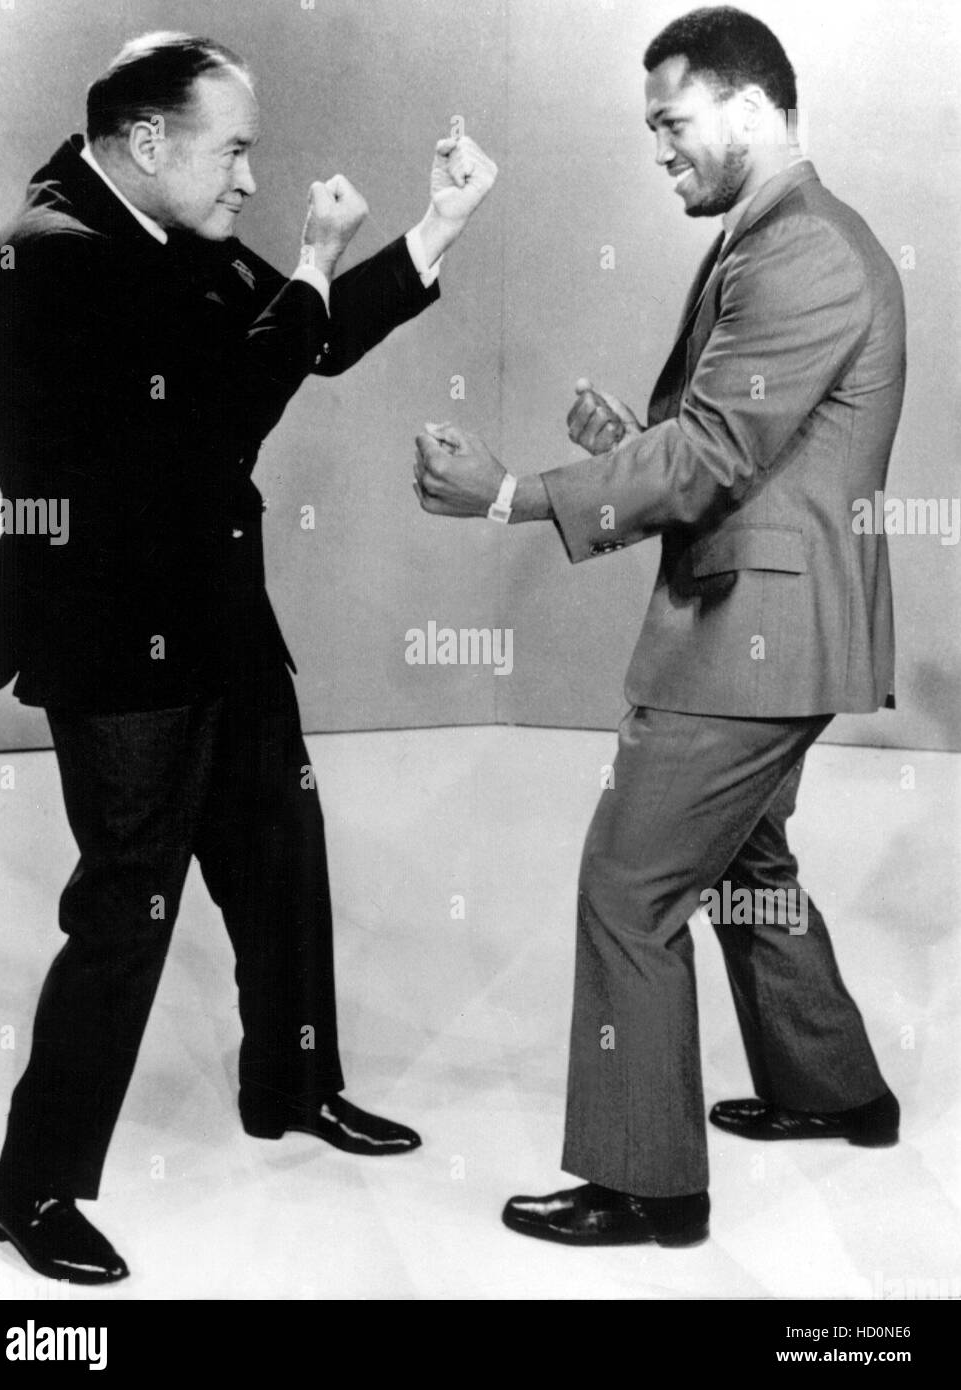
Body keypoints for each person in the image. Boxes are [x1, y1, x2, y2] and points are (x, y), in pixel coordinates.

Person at [0, 30, 496, 1283]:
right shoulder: (51, 256)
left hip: (219, 620)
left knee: (280, 864)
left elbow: (302, 338)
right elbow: (212, 418)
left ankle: (294, 1088)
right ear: (148, 141)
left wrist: (434, 227)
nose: (252, 180)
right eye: (236, 149)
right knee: (127, 907)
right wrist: (311, 268)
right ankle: (29, 1186)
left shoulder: (170, 233)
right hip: (117, 643)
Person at [413, 5, 903, 1247]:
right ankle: (834, 1089)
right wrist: (633, 444)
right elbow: (735, 446)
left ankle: (649, 1184)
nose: (662, 151)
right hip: (776, 624)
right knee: (746, 864)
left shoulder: (802, 248)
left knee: (628, 888)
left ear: (747, 110)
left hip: (751, 639)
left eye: (672, 125)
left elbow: (721, 452)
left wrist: (518, 494)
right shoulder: (787, 237)